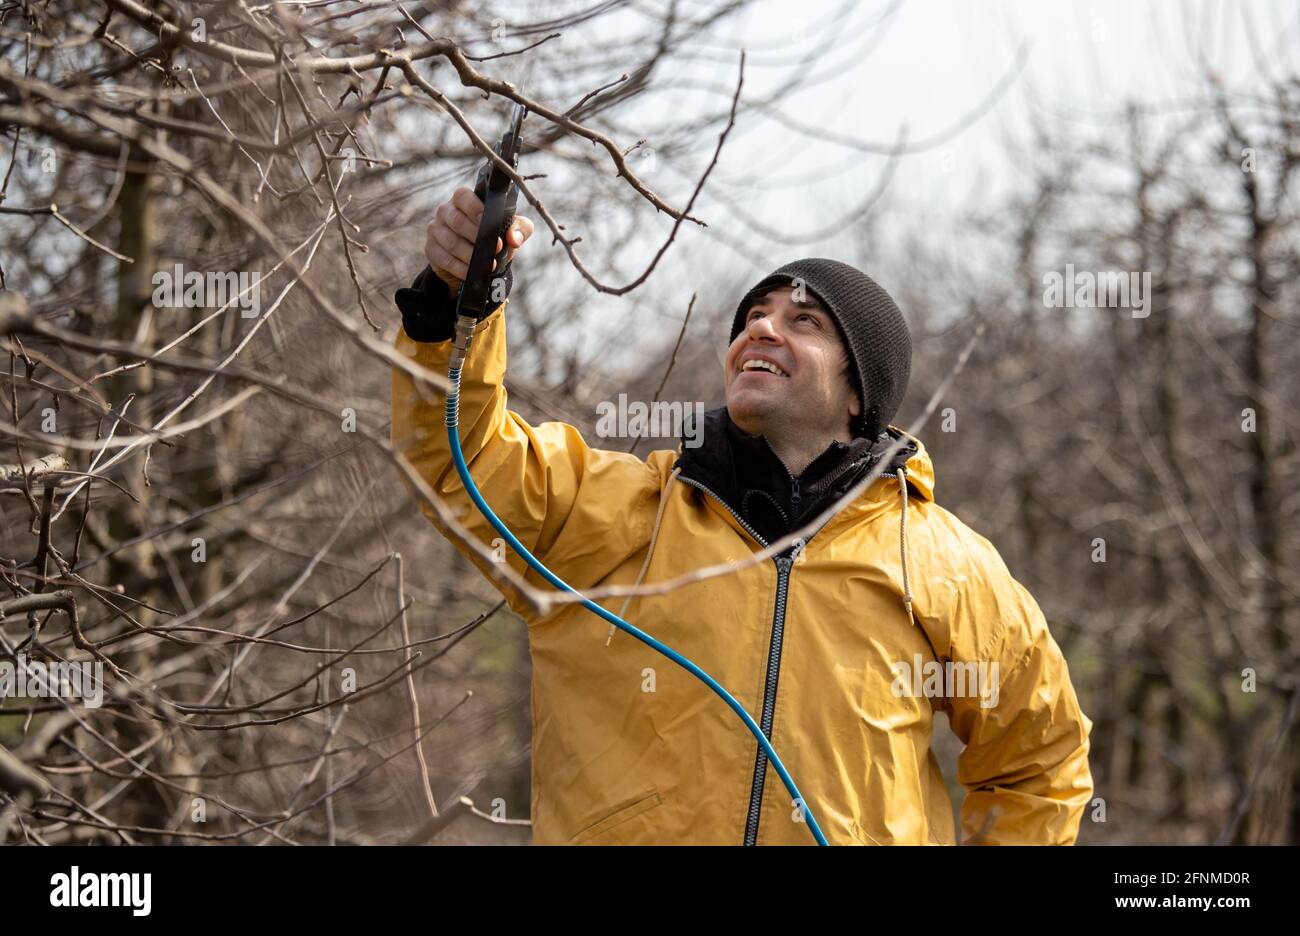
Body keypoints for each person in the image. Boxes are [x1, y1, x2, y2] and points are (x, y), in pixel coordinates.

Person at [390, 186, 1094, 845]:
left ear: (860, 393)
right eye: (753, 317)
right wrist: (456, 302)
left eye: (803, 321)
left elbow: (1042, 762)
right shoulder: (614, 511)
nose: (761, 329)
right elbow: (461, 460)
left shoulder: (948, 565)